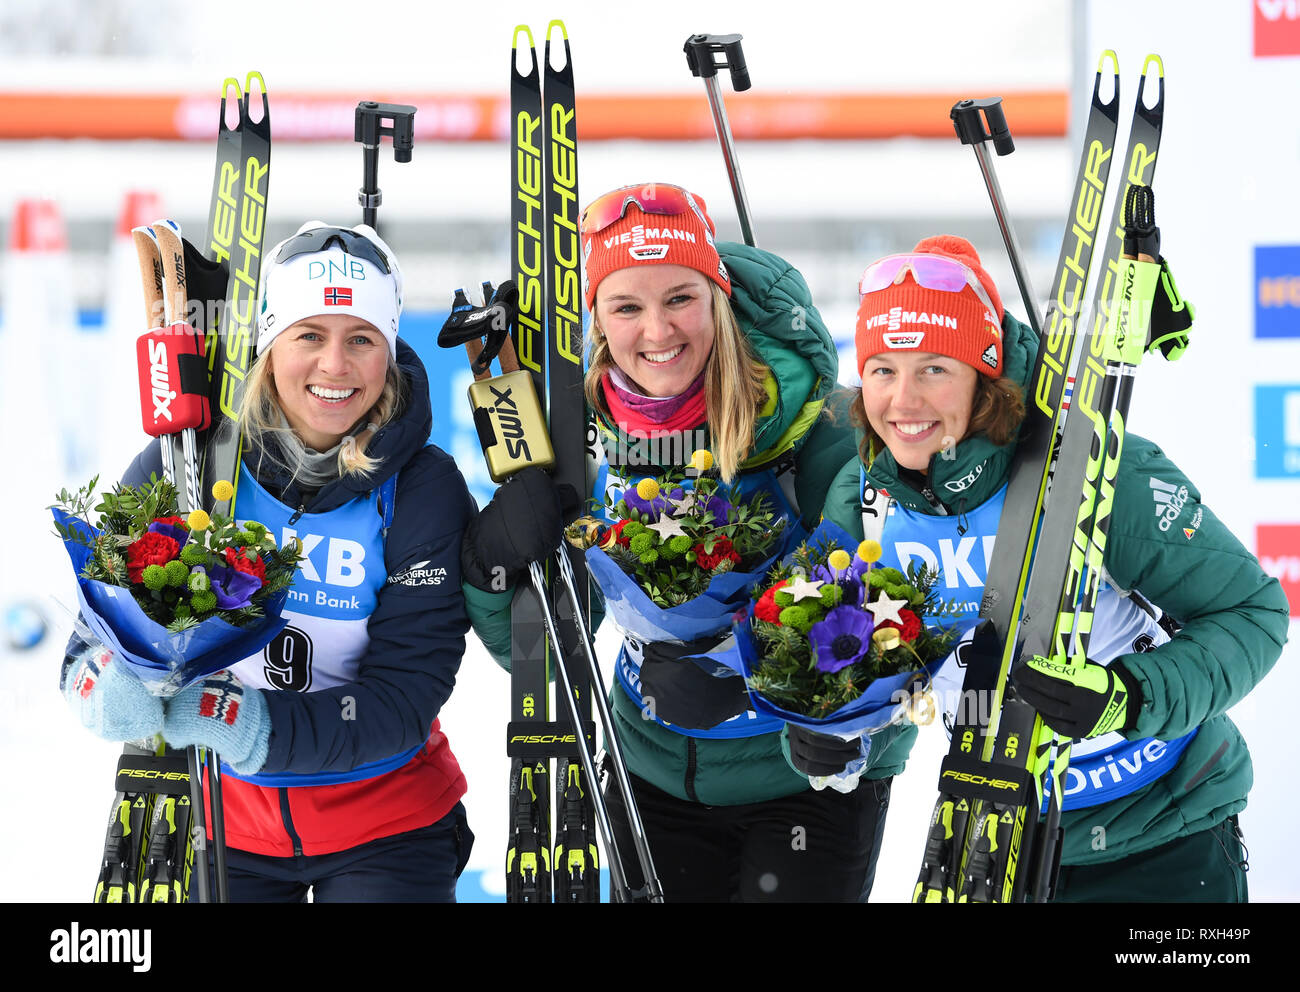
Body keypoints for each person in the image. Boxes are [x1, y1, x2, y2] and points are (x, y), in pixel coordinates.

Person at [464, 183, 905, 902]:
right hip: (653, 774)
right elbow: (541, 654)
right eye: (627, 306)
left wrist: (740, 672)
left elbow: (889, 623)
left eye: (679, 298)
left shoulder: (822, 428)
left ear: (717, 300)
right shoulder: (584, 434)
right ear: (600, 320)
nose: (658, 331)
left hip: (804, 783)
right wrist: (493, 563)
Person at [819, 234, 1288, 901]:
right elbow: (862, 673)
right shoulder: (860, 497)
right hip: (992, 838)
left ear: (983, 378)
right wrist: (824, 733)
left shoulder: (1089, 469)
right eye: (882, 370)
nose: (904, 401)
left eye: (934, 369)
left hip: (1160, 832)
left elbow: (1251, 614)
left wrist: (1128, 695)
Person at [62, 222, 479, 902]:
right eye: (309, 335)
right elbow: (93, 633)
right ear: (270, 342)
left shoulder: (422, 487)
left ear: (391, 348)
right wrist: (100, 688)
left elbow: (405, 695)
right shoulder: (190, 460)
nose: (335, 365)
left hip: (387, 819)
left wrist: (250, 725)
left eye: (361, 339)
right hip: (219, 821)